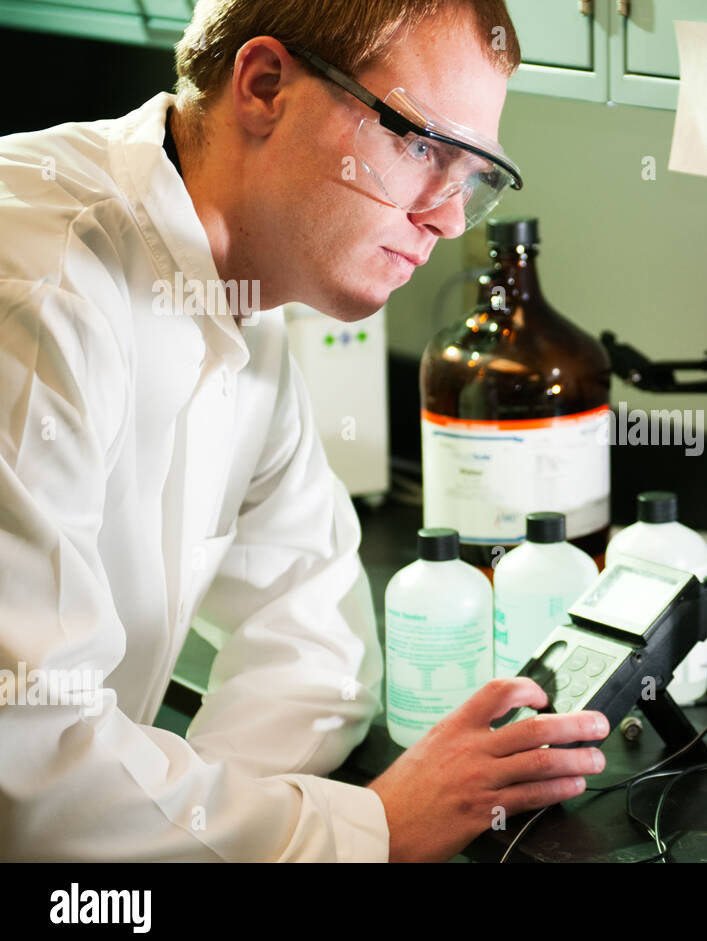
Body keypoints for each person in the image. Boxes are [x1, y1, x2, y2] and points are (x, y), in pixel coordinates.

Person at [0, 0, 608, 863]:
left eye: (472, 175)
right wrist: (369, 831)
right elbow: (34, 783)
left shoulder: (244, 296)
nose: (444, 216)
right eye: (419, 143)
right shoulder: (38, 293)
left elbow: (320, 640)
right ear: (263, 86)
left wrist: (188, 826)